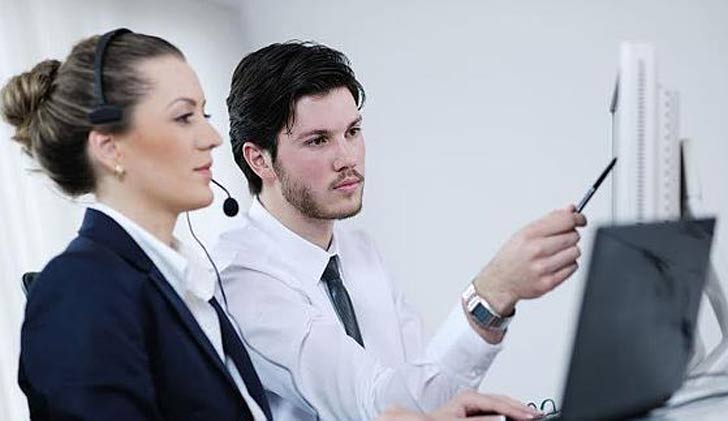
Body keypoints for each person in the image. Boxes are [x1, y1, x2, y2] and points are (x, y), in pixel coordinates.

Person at [215, 41, 586, 420]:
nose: (347, 158)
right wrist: (492, 294)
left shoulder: (359, 251)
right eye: (318, 140)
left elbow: (427, 396)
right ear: (259, 160)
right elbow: (381, 410)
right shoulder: (243, 282)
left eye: (353, 131)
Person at [2, 29, 271, 420]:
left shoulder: (181, 282)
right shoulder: (78, 290)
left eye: (205, 114)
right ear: (110, 148)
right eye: (184, 117)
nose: (212, 137)